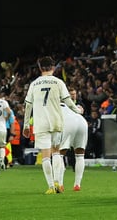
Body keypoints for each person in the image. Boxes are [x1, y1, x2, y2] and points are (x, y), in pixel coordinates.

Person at [24, 56, 78, 194]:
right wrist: (78, 111)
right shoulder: (58, 82)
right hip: (56, 121)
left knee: (46, 156)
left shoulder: (34, 84)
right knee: (57, 152)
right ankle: (58, 183)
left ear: (40, 68)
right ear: (53, 68)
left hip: (41, 123)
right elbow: (68, 101)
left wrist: (25, 125)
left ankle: (50, 186)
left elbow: (28, 105)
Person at [55, 101, 88, 192]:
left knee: (59, 154)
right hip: (81, 121)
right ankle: (77, 185)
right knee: (80, 154)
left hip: (68, 122)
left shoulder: (52, 105)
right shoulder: (69, 105)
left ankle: (60, 184)